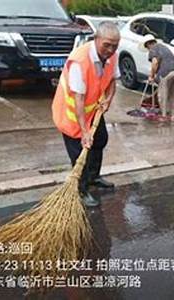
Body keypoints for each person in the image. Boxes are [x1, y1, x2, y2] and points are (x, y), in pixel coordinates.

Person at [52, 21, 120, 207]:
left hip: (93, 110)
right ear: (96, 39)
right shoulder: (79, 61)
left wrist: (109, 99)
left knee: (100, 140)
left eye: (115, 45)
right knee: (81, 152)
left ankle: (93, 177)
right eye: (107, 44)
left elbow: (113, 80)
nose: (110, 49)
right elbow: (79, 100)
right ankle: (80, 190)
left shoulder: (112, 56)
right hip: (72, 114)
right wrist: (84, 132)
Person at [143, 34, 174, 122]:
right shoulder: (164, 47)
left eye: (147, 47)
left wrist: (151, 76)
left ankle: (163, 116)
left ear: (148, 44)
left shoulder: (153, 49)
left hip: (165, 73)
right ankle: (172, 117)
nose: (148, 49)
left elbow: (155, 63)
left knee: (162, 95)